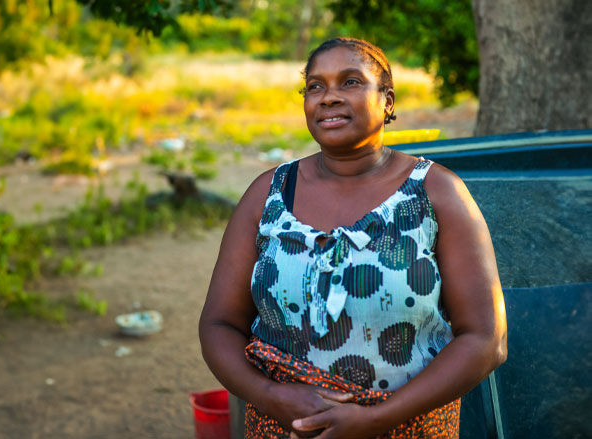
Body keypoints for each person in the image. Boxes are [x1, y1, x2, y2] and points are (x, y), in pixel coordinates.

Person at [198, 37, 507, 438]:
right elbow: (219, 324)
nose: (328, 97)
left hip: (408, 428)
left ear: (388, 101)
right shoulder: (269, 194)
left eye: (350, 82)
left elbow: (486, 338)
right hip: (284, 427)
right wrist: (270, 396)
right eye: (315, 86)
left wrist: (375, 420)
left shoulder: (436, 193)